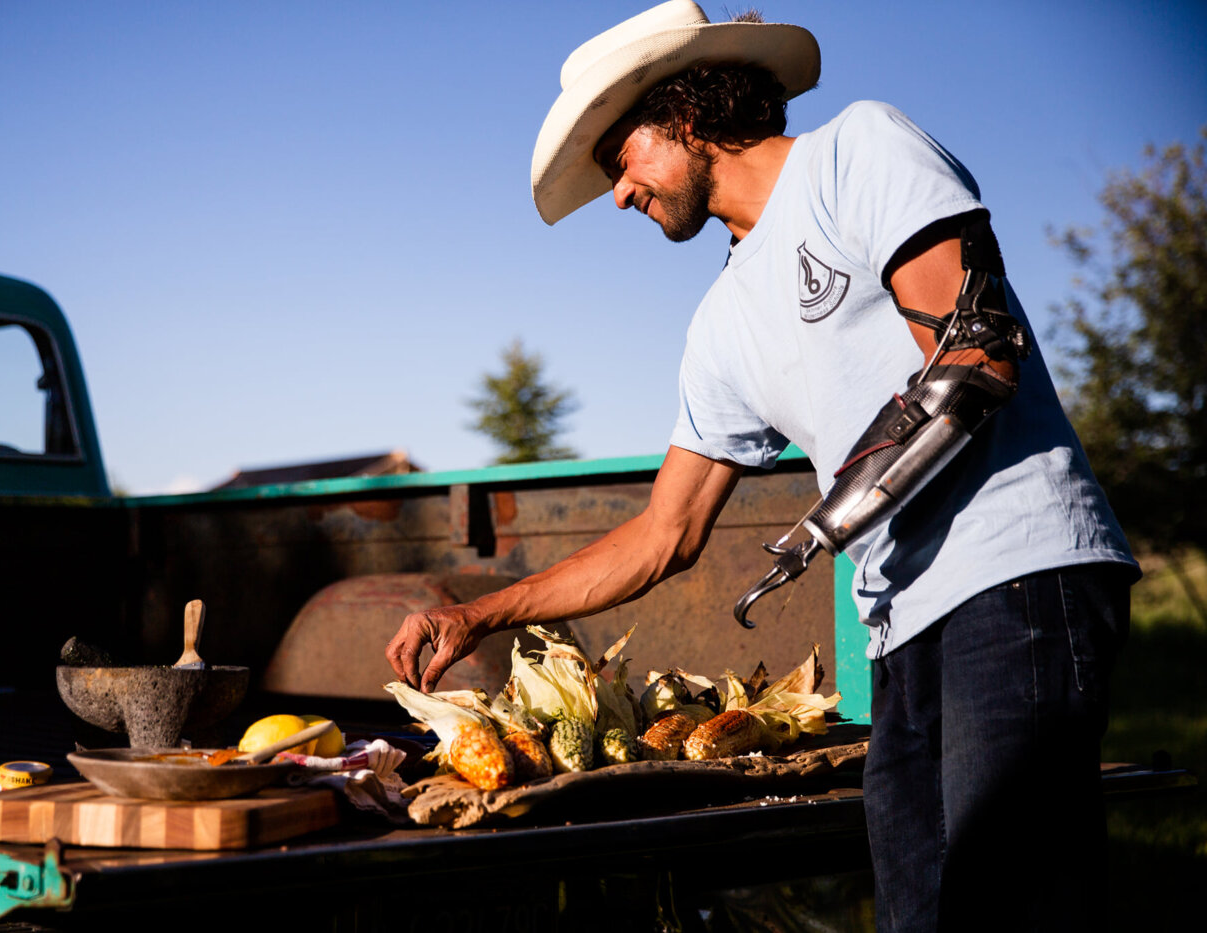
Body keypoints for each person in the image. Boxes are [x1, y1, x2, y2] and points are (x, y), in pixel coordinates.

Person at [386, 3, 1137, 929]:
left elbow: (975, 355)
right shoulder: (720, 327)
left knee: (1013, 904)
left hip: (1015, 575)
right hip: (900, 629)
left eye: (624, 158)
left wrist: (827, 520)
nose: (619, 195)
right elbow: (664, 533)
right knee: (917, 914)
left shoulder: (857, 151)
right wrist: (475, 613)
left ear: (688, 117)